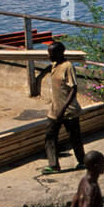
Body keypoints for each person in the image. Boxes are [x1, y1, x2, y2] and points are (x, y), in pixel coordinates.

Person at [42, 41, 85, 175]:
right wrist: (40, 76)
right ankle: (54, 165)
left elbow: (74, 88)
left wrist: (63, 109)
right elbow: (51, 70)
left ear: (60, 53)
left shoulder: (68, 67)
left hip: (68, 111)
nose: (49, 56)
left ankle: (82, 161)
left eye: (52, 54)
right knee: (50, 136)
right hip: (55, 110)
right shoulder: (54, 65)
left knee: (74, 137)